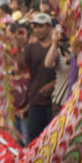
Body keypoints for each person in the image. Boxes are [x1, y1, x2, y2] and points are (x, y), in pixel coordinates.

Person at [24, 13, 57, 141]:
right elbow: (23, 69)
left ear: (49, 27)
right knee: (33, 140)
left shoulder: (57, 48)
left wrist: (52, 84)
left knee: (52, 141)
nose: (38, 29)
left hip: (54, 103)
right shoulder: (30, 48)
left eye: (41, 26)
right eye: (35, 27)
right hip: (35, 101)